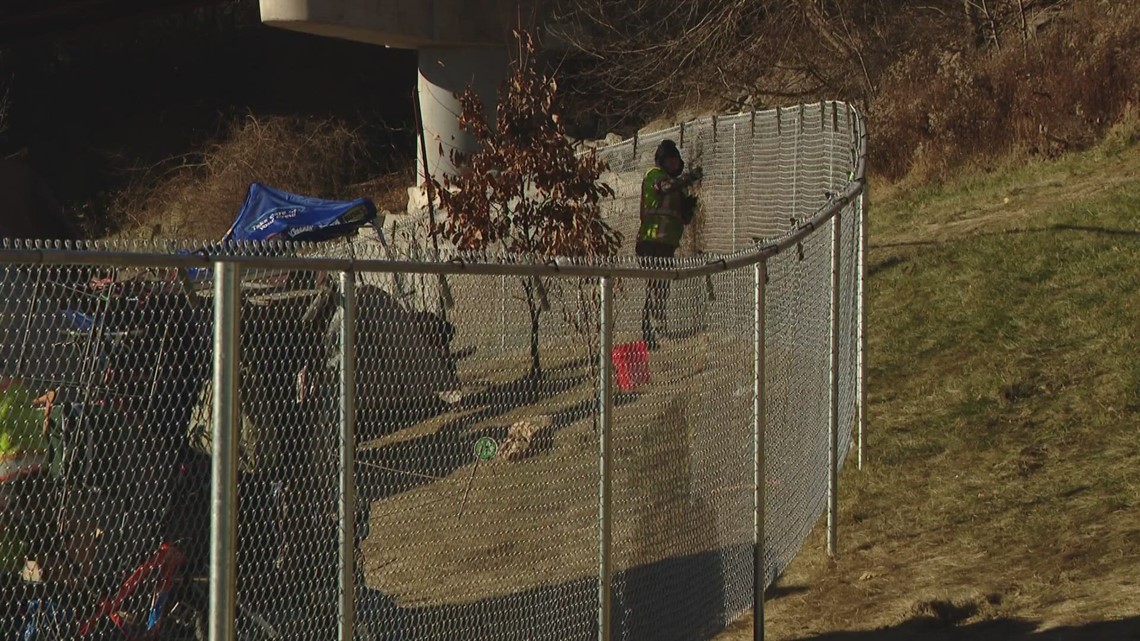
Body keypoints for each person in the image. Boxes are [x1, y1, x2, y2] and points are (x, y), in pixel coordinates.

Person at [636, 139, 702, 349]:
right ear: (663, 161)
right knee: (655, 287)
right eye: (671, 161)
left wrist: (688, 208)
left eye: (677, 161)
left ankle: (656, 330)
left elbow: (683, 219)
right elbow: (664, 188)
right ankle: (650, 333)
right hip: (650, 242)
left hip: (667, 245)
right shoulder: (654, 176)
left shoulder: (677, 187)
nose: (675, 164)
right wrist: (688, 179)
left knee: (661, 288)